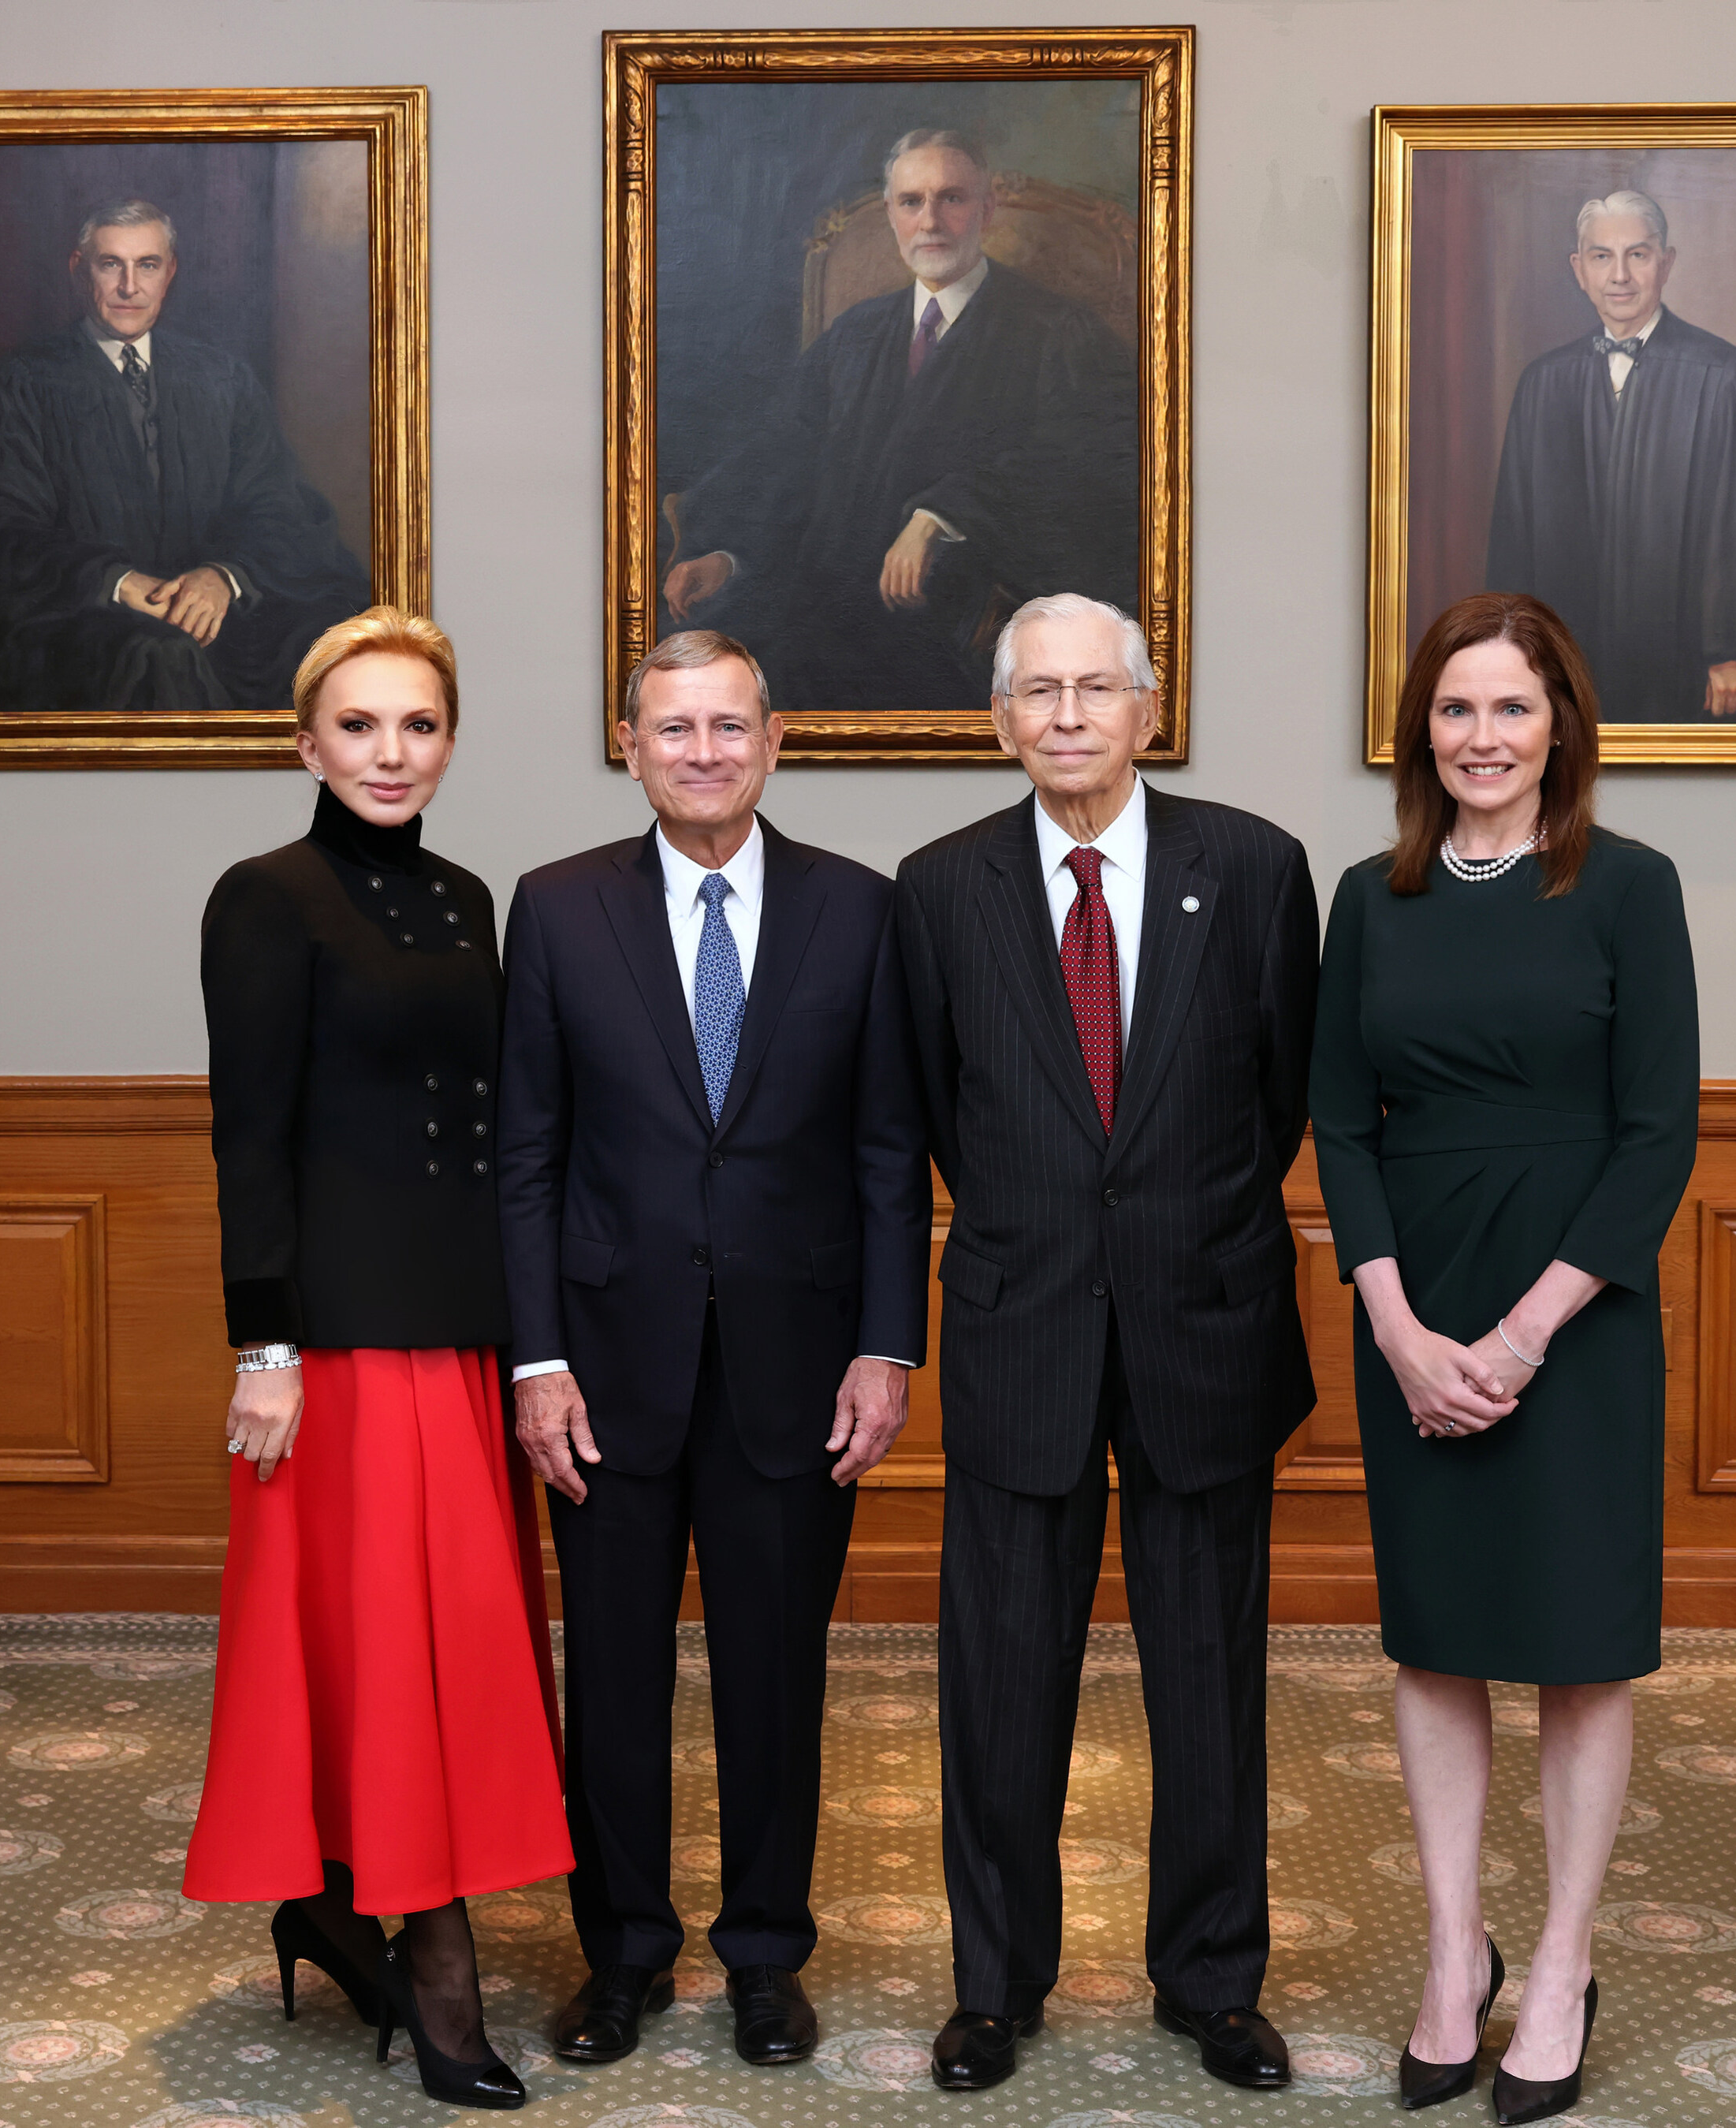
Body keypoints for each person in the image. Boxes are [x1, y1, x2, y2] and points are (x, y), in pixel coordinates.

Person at [888, 592, 1321, 2096]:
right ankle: (991, 1985)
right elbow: (936, 1118)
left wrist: (1166, 1224)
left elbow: (1277, 1101)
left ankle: (1211, 1978)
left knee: (1210, 1677)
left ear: (1149, 708)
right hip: (1021, 1326)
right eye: (1036, 693)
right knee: (1000, 1680)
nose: (1067, 716)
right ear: (999, 718)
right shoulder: (935, 888)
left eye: (1096, 690)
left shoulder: (1255, 869)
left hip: (1205, 1319)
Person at [493, 631, 931, 2076]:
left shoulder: (860, 913)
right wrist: (535, 1360)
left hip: (797, 1369)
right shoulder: (554, 912)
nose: (701, 750)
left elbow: (885, 1152)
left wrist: (886, 1346)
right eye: (672, 728)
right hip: (606, 1373)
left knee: (773, 1675)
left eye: (727, 725)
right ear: (630, 745)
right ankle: (618, 1952)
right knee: (611, 1679)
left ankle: (763, 1952)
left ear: (775, 737)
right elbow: (530, 1156)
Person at [1307, 591, 1701, 2123]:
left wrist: (1528, 1330)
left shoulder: (1628, 886)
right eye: (1455, 709)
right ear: (1424, 730)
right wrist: (1399, 1326)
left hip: (1577, 1314)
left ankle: (1558, 1958)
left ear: (1560, 730)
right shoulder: (1368, 894)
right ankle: (1449, 1947)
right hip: (1415, 1300)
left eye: (1511, 709)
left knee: (1581, 1645)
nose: (1480, 736)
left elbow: (1658, 1131)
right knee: (1439, 1638)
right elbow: (1339, 1121)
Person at [179, 606, 564, 2111]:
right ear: (305, 741)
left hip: (459, 1339)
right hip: (333, 1352)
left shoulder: (470, 897)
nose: (390, 752)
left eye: (416, 725)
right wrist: (263, 1341)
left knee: (445, 1646)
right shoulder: (263, 896)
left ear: (448, 741)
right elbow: (247, 1138)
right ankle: (430, 1959)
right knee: (369, 1649)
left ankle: (340, 1901)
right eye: (358, 725)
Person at [664, 130, 1137, 713]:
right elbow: (784, 451)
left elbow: (1083, 462)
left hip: (945, 607)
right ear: (891, 214)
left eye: (952, 199)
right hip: (813, 589)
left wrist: (941, 514)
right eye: (911, 202)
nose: (930, 221)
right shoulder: (855, 334)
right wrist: (729, 553)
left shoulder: (1056, 332)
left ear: (985, 210)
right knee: (700, 672)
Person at [0, 197, 374, 714]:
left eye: (147, 265)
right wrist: (117, 583)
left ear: (169, 273)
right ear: (78, 270)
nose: (130, 287)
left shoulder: (221, 378)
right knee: (158, 655)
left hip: (215, 610)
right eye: (111, 265)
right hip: (81, 616)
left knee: (340, 634)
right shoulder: (22, 382)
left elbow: (278, 503)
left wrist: (225, 576)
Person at [1481, 188, 1736, 723]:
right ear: (1579, 269)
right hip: (1572, 666)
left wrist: (1734, 648)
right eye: (1601, 256)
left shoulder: (1721, 374)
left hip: (1693, 671)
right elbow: (1516, 534)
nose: (1619, 275)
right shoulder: (1543, 383)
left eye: (1637, 255)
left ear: (1665, 264)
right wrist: (1511, 653)